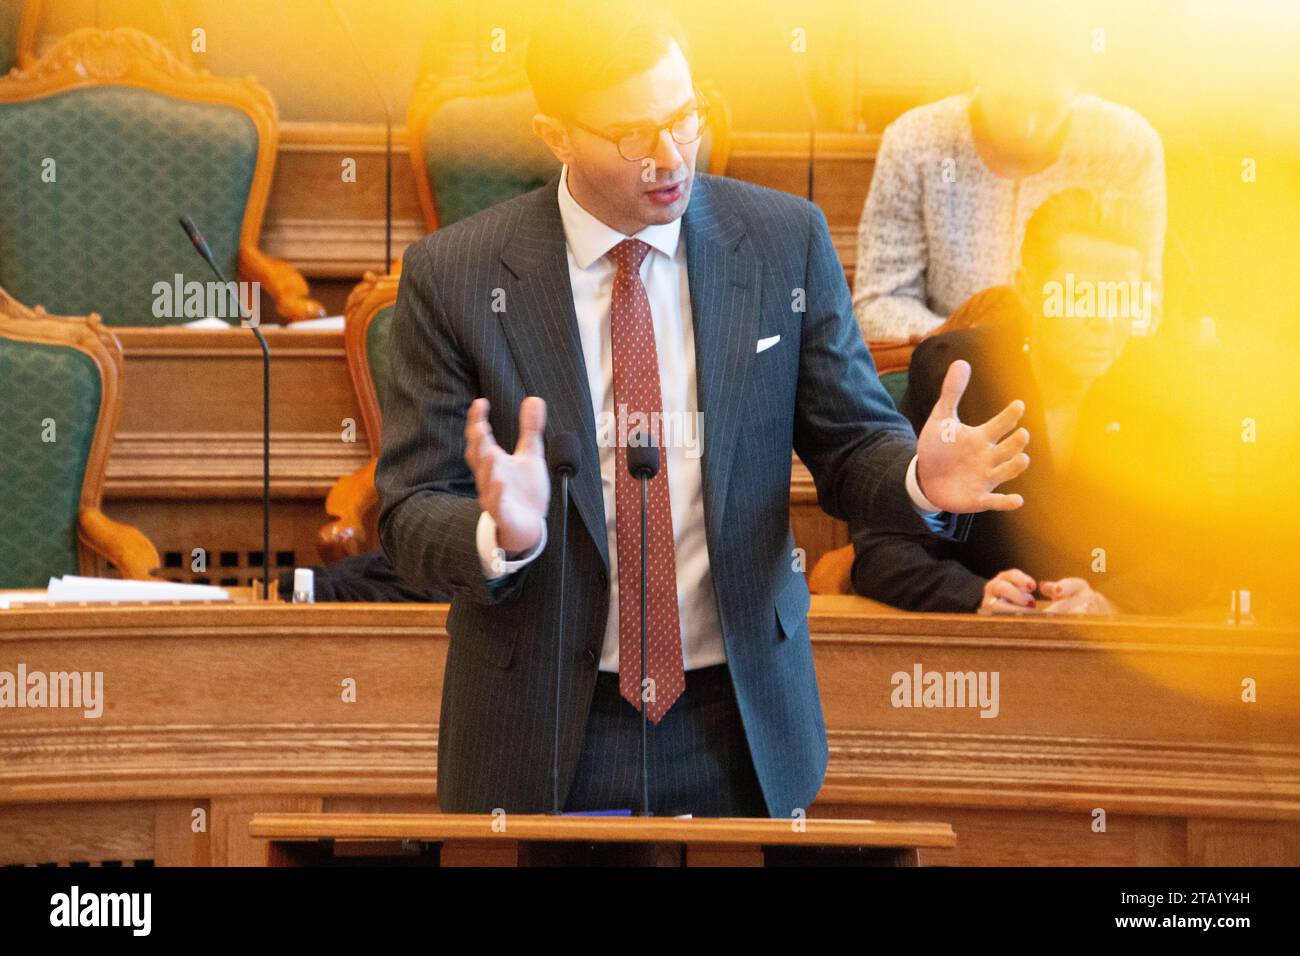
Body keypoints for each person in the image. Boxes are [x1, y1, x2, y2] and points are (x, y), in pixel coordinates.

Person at [376, 0, 1030, 819]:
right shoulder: (457, 276)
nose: (669, 156)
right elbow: (407, 512)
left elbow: (852, 444)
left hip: (740, 715)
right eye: (631, 135)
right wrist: (498, 534)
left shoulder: (784, 241)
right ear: (556, 135)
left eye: (684, 117)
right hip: (543, 720)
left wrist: (917, 481)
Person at [851, 188, 1221, 616]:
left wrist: (1109, 604)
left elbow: (1196, 554)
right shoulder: (957, 372)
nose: (1101, 321)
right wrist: (975, 595)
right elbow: (883, 549)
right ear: (1027, 288)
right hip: (979, 653)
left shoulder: (1157, 386)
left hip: (1112, 662)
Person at [852, 6, 1166, 341]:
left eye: (1047, 108)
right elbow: (879, 303)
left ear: (1079, 86)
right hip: (950, 364)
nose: (1026, 128)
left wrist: (1069, 345)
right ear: (977, 71)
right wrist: (972, 345)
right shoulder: (917, 140)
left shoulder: (1124, 145)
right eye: (1007, 102)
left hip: (1083, 370)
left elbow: (1142, 305)